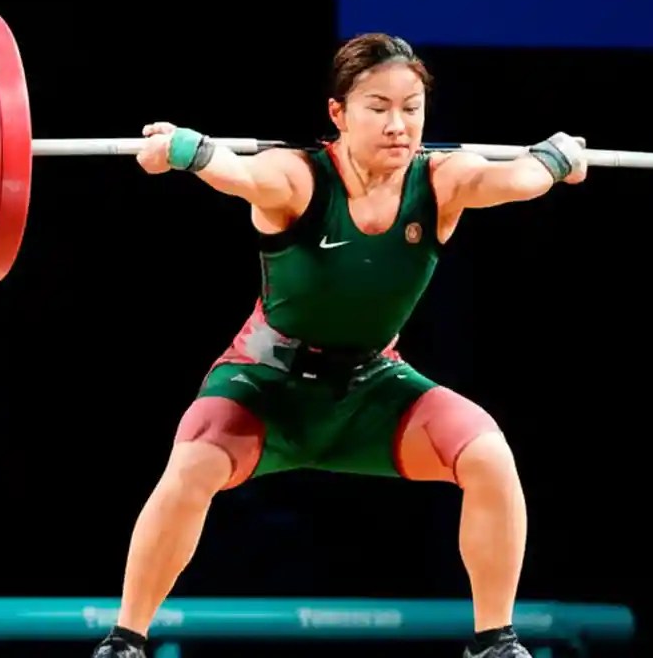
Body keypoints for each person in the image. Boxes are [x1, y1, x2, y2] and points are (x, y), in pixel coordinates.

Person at [91, 33, 588, 658]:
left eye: (411, 108)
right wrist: (189, 150)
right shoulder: (299, 177)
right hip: (264, 385)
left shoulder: (442, 179)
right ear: (338, 113)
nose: (397, 125)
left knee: (488, 454)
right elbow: (239, 173)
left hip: (370, 388)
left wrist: (555, 156)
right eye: (377, 107)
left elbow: (515, 179)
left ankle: (494, 642)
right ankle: (126, 640)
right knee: (191, 464)